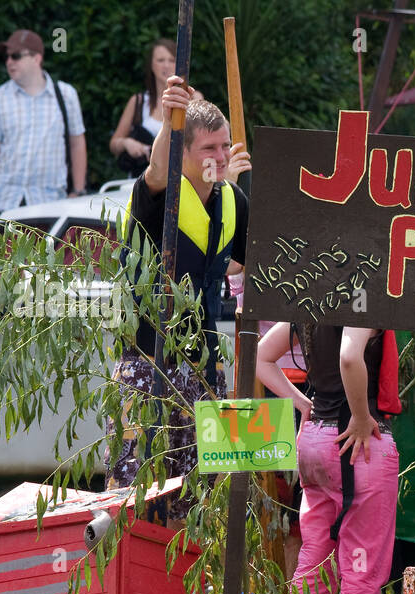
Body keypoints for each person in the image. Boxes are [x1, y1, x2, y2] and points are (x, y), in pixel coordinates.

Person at [106, 77, 251, 512]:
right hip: (146, 364)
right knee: (137, 499)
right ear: (183, 153)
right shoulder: (159, 194)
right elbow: (154, 170)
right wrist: (171, 120)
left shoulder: (233, 201)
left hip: (206, 367)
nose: (221, 156)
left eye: (225, 146)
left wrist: (239, 184)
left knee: (205, 500)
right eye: (209, 148)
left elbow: (238, 266)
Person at [255, 322, 400, 594]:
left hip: (314, 440)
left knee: (314, 552)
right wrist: (361, 416)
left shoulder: (311, 298)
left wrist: (303, 402)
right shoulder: (361, 294)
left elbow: (259, 356)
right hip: (357, 443)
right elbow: (350, 355)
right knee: (361, 563)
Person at [0, 29, 87, 215]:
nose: (9, 62)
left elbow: (77, 143)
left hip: (52, 202)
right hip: (6, 201)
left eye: (16, 56)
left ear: (37, 59)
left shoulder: (66, 95)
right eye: (7, 57)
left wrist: (78, 191)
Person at [110, 39, 200, 179]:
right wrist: (127, 143)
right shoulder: (138, 102)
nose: (166, 65)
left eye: (171, 60)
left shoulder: (193, 98)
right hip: (142, 181)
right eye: (160, 60)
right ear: (151, 65)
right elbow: (114, 143)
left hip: (181, 179)